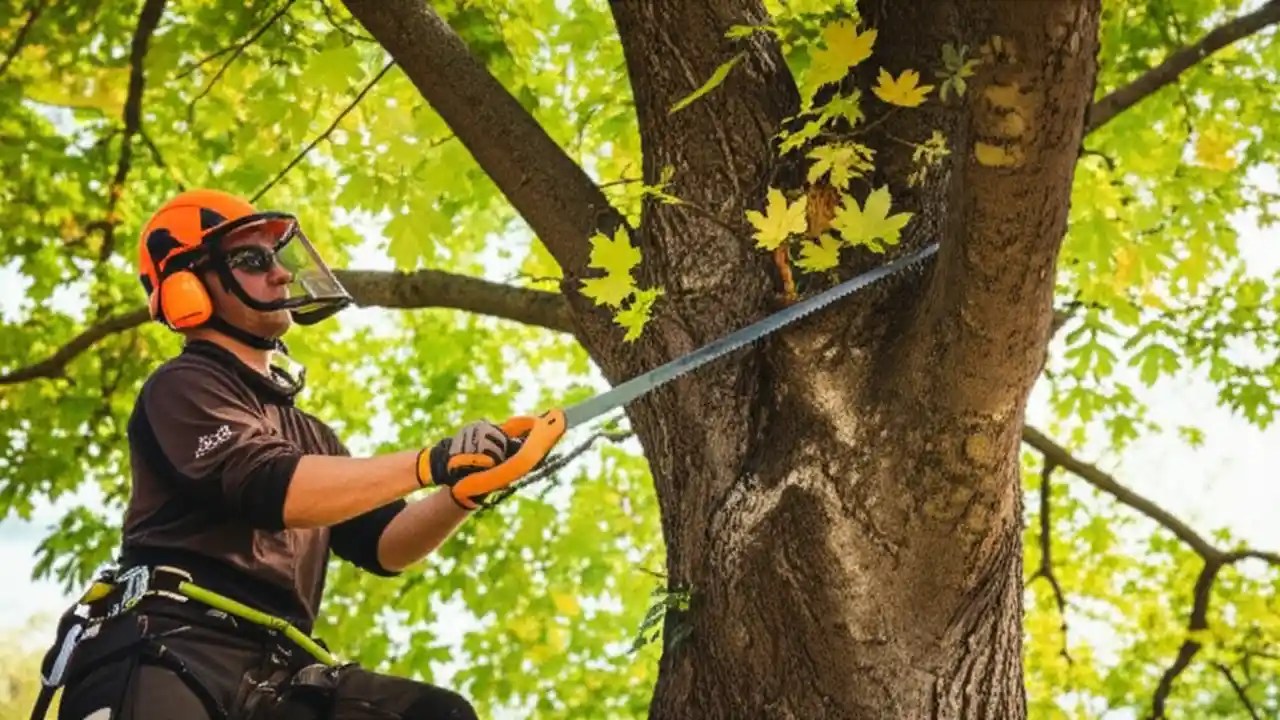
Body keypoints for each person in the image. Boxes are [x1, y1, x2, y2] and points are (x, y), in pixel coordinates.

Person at [33, 189, 523, 720]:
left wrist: (463, 491)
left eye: (277, 257)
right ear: (187, 287)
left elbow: (385, 544)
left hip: (277, 673)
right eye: (252, 260)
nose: (282, 273)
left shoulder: (311, 436)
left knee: (435, 714)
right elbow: (271, 486)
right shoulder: (184, 386)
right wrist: (430, 460)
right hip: (170, 648)